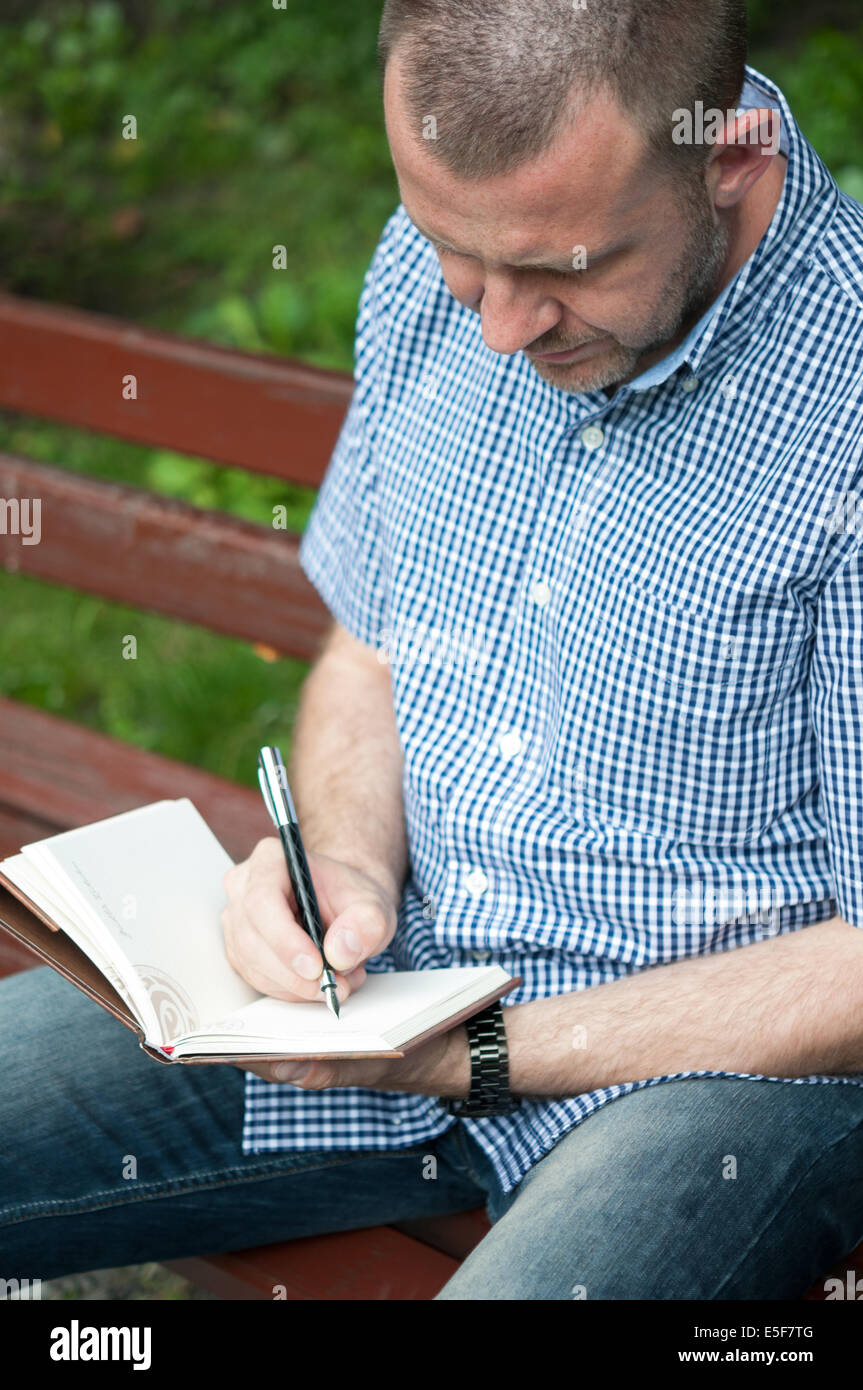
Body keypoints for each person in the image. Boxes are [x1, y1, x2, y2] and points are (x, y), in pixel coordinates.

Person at [2, 0, 863, 1300]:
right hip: (393, 990)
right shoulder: (432, 267)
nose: (502, 329)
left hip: (720, 1069)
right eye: (461, 255)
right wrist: (341, 859)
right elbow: (370, 651)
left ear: (726, 155)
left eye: (565, 266)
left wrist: (493, 1051)